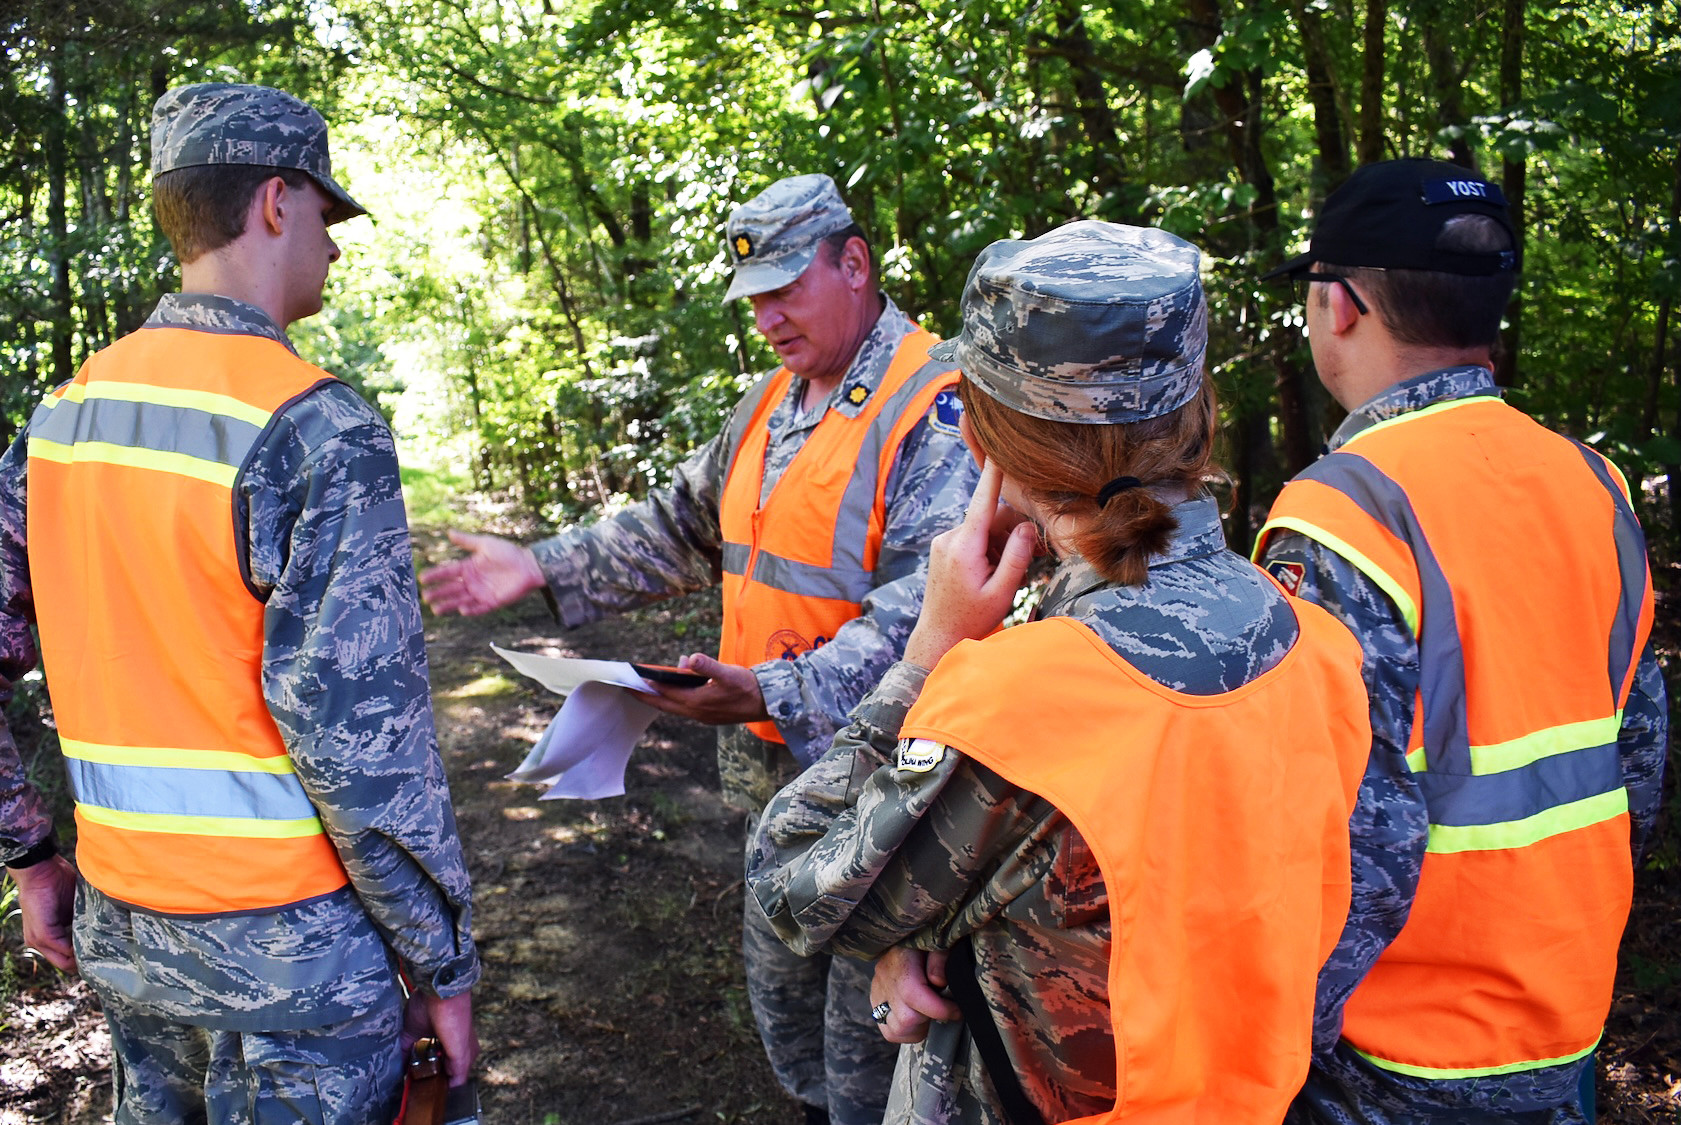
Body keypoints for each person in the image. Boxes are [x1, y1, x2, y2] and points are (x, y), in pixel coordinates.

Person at [746, 219, 1374, 1124]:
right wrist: (942, 934)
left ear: (988, 442)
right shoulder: (1306, 640)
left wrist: (928, 650)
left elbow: (789, 881)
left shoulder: (1016, 699)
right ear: (1197, 413)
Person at [419, 173, 977, 1125]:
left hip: (888, 799)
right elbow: (674, 527)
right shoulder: (768, 405)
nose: (765, 316)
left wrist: (774, 687)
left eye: (784, 289)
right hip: (773, 789)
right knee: (795, 1039)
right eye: (751, 298)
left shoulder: (935, 404)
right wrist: (540, 564)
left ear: (853, 263)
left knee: (873, 1053)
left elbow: (927, 619)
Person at [0, 83, 481, 1123]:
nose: (335, 247)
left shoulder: (59, 424)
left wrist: (32, 857)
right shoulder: (313, 426)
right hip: (296, 965)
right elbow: (364, 746)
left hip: (130, 938)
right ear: (275, 203)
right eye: (325, 215)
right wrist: (442, 966)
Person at [1253, 158, 1669, 1124]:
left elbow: (1349, 832)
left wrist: (1278, 1041)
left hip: (1393, 1050)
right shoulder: (1592, 485)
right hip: (1561, 1019)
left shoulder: (1342, 513)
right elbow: (1636, 763)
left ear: (1340, 304)